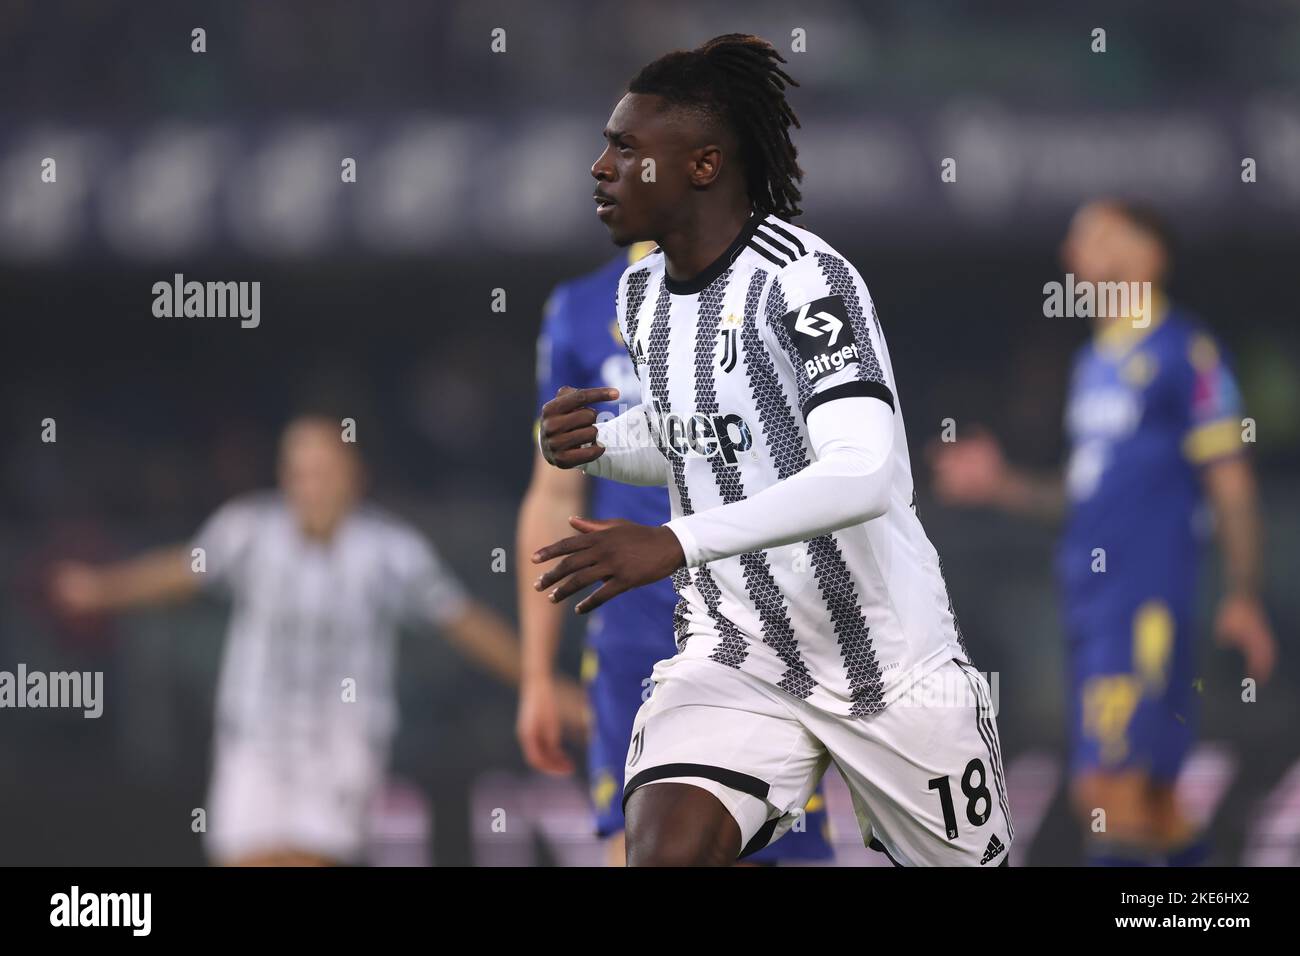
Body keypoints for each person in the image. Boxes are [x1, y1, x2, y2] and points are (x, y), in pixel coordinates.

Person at [532, 34, 1012, 867]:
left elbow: (862, 470)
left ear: (704, 166)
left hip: (886, 668)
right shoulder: (641, 296)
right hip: (737, 656)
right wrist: (598, 447)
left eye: (626, 148)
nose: (601, 167)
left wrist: (674, 542)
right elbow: (707, 435)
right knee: (663, 853)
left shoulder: (807, 282)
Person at [51, 415, 585, 865]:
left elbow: (462, 623)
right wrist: (102, 590)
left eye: (323, 472)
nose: (311, 486)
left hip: (342, 744)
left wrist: (539, 682)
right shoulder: (249, 532)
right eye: (300, 473)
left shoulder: (388, 550)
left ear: (354, 475)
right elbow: (181, 572)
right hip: (254, 741)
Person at [930, 199, 1277, 865]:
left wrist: (1243, 594)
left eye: (1095, 237)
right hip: (1092, 605)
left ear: (1149, 256)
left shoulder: (1184, 353)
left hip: (1143, 603)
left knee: (1107, 796)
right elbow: (1086, 497)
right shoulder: (1094, 364)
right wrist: (1002, 483)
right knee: (1152, 805)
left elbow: (1232, 484)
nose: (1073, 255)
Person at [516, 244, 833, 866]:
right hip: (634, 625)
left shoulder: (775, 285)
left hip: (759, 623)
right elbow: (553, 493)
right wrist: (536, 674)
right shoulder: (577, 308)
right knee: (640, 845)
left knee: (780, 846)